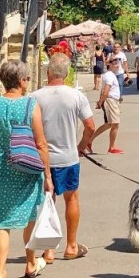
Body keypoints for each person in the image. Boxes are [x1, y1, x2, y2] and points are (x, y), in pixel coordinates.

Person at [0, 59, 52, 278]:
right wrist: (47, 175)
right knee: (29, 215)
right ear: (21, 81)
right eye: (27, 78)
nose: (28, 82)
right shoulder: (30, 105)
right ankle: (30, 263)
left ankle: (0, 273)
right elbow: (41, 144)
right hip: (26, 168)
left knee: (2, 222)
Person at [36, 52, 95, 263]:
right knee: (72, 198)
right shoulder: (76, 96)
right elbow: (90, 126)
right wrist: (81, 145)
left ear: (48, 72)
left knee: (47, 202)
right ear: (67, 73)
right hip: (68, 157)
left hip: (43, 159)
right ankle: (71, 246)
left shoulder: (35, 97)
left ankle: (48, 250)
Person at [82, 55, 124, 155]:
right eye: (114, 63)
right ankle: (111, 147)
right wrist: (101, 102)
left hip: (112, 100)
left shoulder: (111, 75)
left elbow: (104, 90)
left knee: (109, 124)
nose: (117, 65)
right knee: (115, 123)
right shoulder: (109, 75)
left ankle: (89, 141)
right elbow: (106, 91)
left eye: (118, 62)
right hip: (110, 101)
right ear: (109, 64)